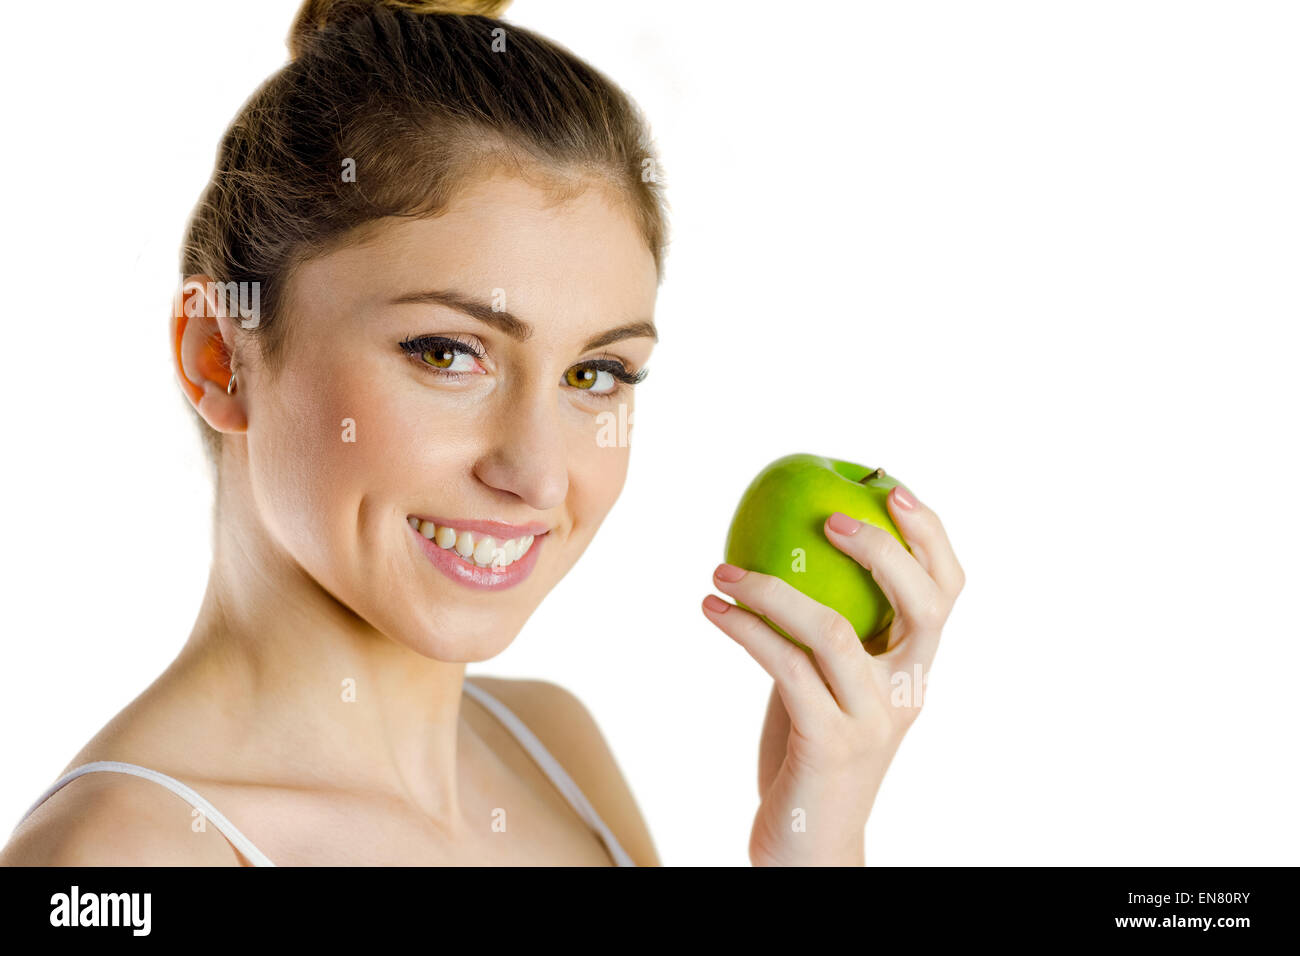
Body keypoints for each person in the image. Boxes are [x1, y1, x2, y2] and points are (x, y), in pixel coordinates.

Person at [2, 0, 963, 867]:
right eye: (448, 353)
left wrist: (818, 838)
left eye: (597, 374)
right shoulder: (122, 860)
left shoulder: (556, 754)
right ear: (219, 352)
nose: (538, 475)